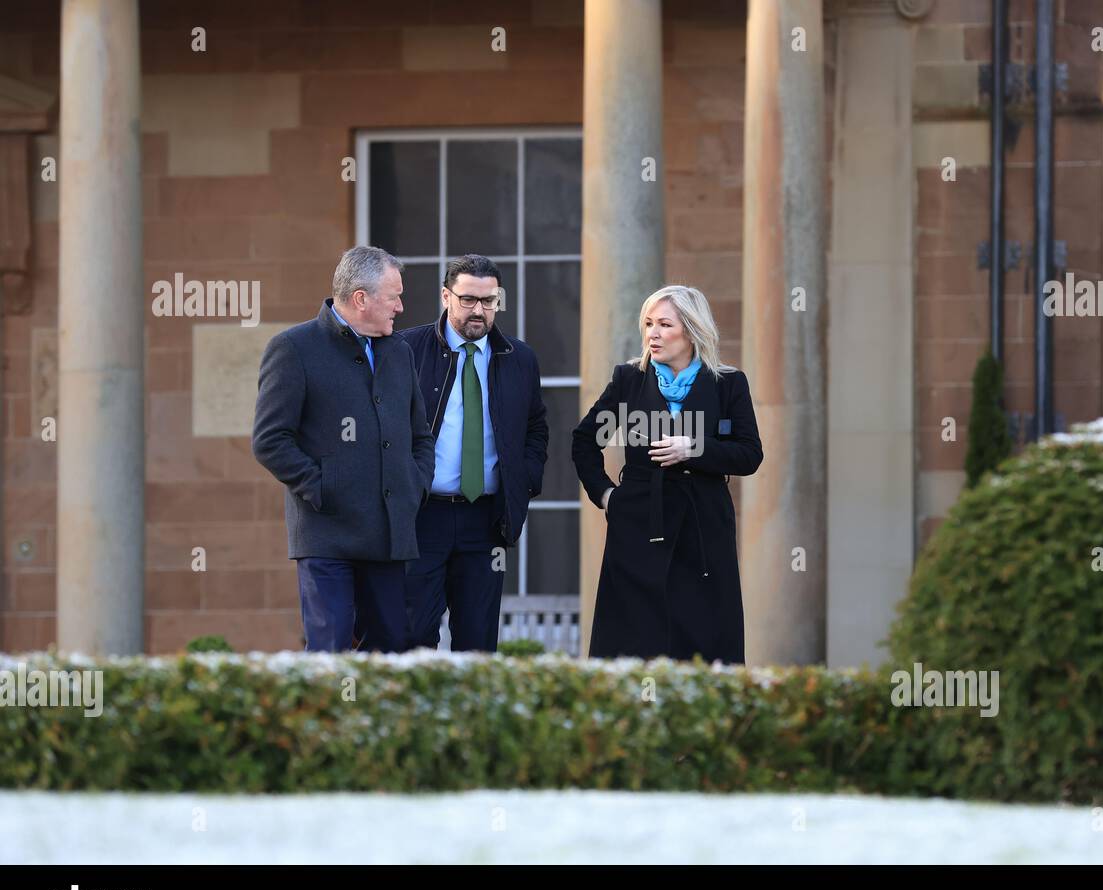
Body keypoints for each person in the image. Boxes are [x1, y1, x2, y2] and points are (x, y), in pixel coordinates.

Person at [252, 246, 436, 652]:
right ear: (360, 299)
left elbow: (420, 436)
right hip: (327, 536)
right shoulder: (294, 348)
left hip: (390, 537)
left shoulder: (398, 350)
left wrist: (415, 485)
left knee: (392, 652)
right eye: (394, 297)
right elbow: (269, 440)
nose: (401, 307)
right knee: (329, 655)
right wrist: (323, 487)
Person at [572, 285, 762, 663]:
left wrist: (695, 449)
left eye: (664, 324)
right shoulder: (629, 380)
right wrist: (608, 496)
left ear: (691, 331)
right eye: (648, 324)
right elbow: (585, 440)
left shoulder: (728, 384)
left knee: (704, 637)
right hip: (638, 522)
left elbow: (749, 454)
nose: (652, 334)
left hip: (704, 526)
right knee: (634, 639)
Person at [399, 254, 549, 651]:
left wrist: (523, 481)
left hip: (485, 519)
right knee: (412, 635)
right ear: (446, 296)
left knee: (478, 642)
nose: (478, 311)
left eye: (489, 300)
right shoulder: (406, 349)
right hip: (421, 515)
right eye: (468, 299)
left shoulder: (520, 358)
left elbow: (536, 428)